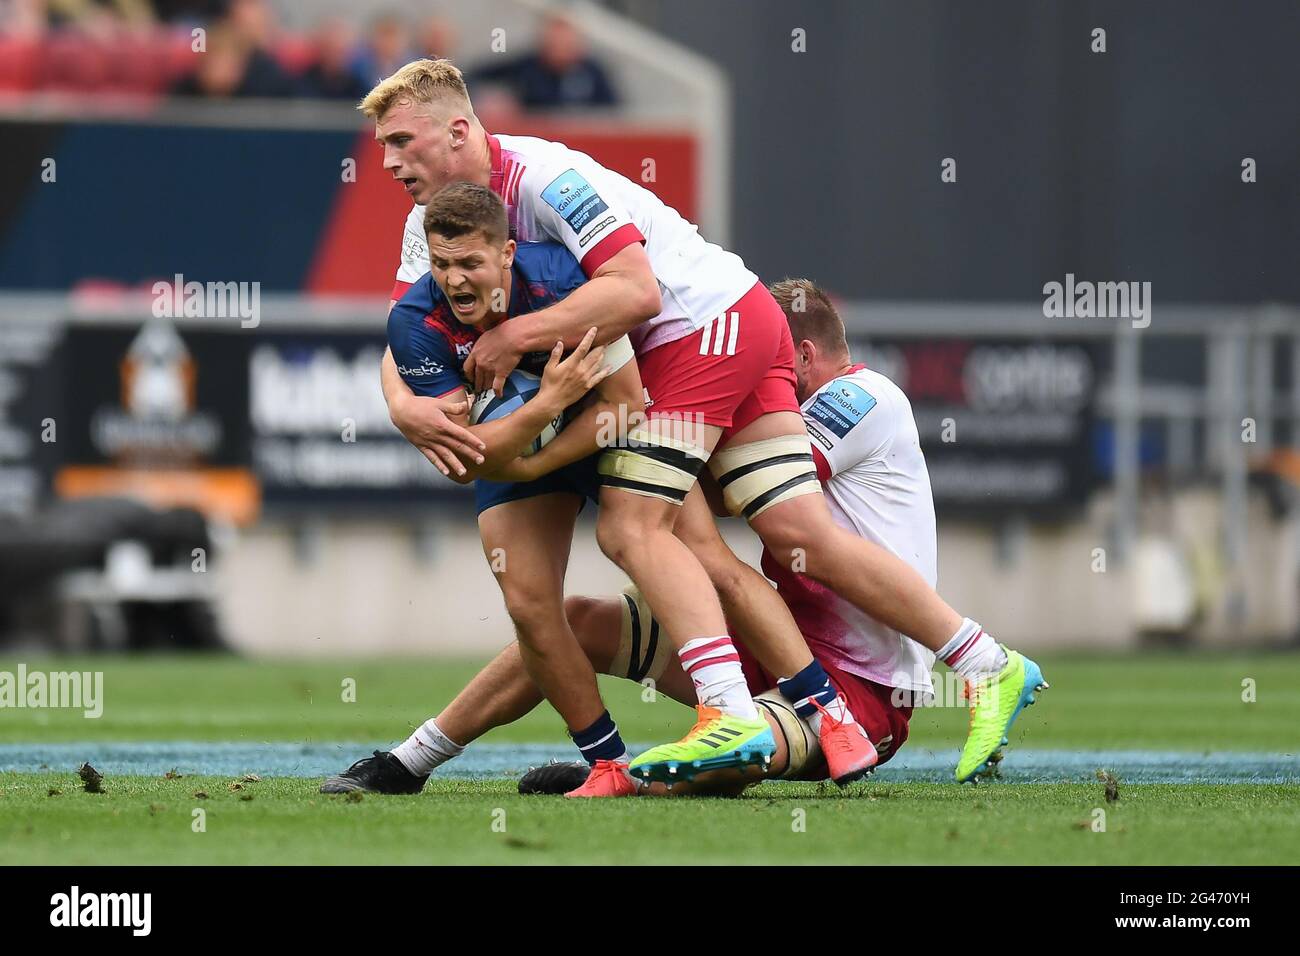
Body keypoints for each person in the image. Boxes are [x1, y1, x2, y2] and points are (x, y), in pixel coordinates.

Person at [363, 58, 1040, 791]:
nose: (389, 161)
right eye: (383, 146)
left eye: (402, 140)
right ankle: (981, 663)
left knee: (631, 529)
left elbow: (639, 293)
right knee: (782, 535)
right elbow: (407, 329)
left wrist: (518, 363)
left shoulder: (545, 180)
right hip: (733, 328)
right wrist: (404, 405)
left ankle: (731, 715)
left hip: (701, 332)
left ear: (460, 130)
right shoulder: (429, 225)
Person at [325, 279, 1047, 797]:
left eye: (766, 369)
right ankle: (410, 760)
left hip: (865, 688)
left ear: (796, 355)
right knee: (572, 621)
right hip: (776, 637)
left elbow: (731, 489)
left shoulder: (864, 395)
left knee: (742, 746)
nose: (755, 387)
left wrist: (617, 433)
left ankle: (631, 778)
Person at [348, 181, 650, 795]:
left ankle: (771, 705)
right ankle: (609, 766)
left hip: (609, 430)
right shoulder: (414, 321)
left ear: (508, 253)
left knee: (690, 552)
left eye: (470, 263)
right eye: (441, 264)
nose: (455, 281)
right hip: (520, 449)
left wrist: (542, 448)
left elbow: (627, 404)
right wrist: (548, 406)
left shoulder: (568, 282)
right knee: (530, 607)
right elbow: (466, 463)